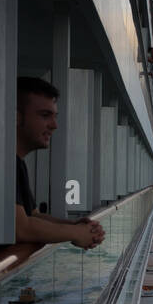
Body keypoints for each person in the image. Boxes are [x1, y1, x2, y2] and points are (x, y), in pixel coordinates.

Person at [15, 76, 105, 249]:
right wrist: (76, 233)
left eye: (55, 116)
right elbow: (21, 228)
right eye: (45, 115)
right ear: (16, 116)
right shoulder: (2, 166)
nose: (54, 125)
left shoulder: (17, 163)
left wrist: (73, 225)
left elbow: (33, 216)